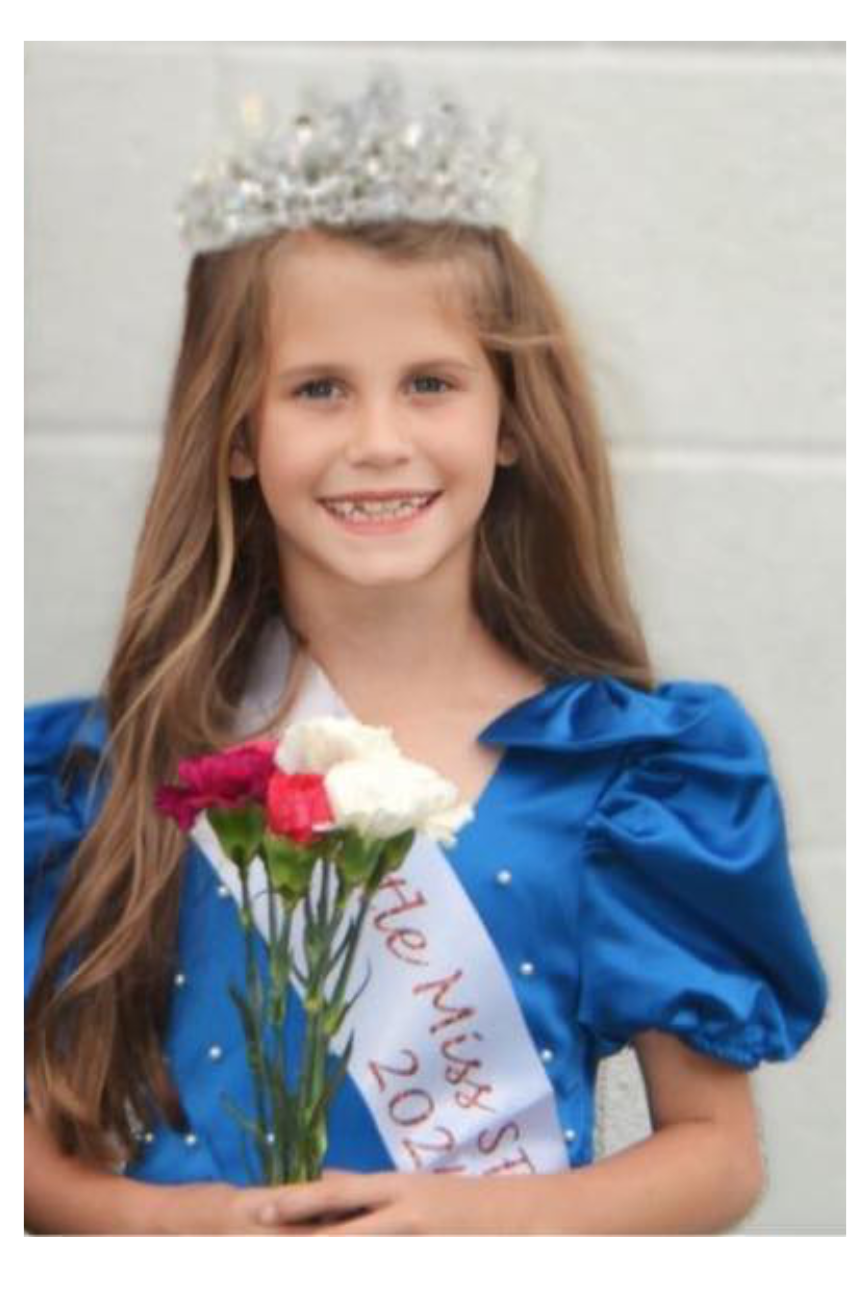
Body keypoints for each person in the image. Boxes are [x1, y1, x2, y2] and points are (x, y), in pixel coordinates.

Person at [24, 65, 830, 1237]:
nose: (379, 441)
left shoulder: (630, 777)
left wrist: (468, 1216)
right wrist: (173, 1224)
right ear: (236, 436)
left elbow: (716, 1154)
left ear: (508, 421)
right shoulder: (109, 771)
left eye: (431, 384)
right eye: (317, 390)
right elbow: (34, 1157)